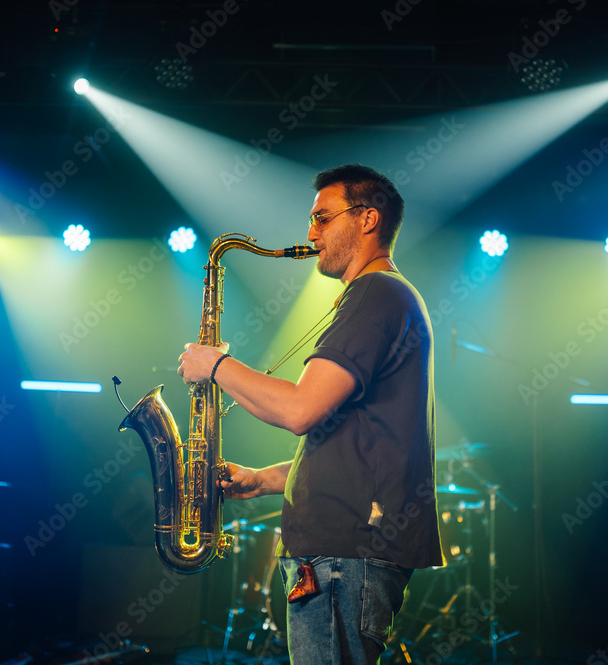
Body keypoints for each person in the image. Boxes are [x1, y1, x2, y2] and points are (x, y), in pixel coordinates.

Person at [177, 164, 443, 664]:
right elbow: (356, 446)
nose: (311, 232)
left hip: (346, 552)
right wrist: (264, 479)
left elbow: (300, 410)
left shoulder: (376, 293)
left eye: (323, 218)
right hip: (345, 552)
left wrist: (214, 365)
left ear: (367, 219)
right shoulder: (381, 295)